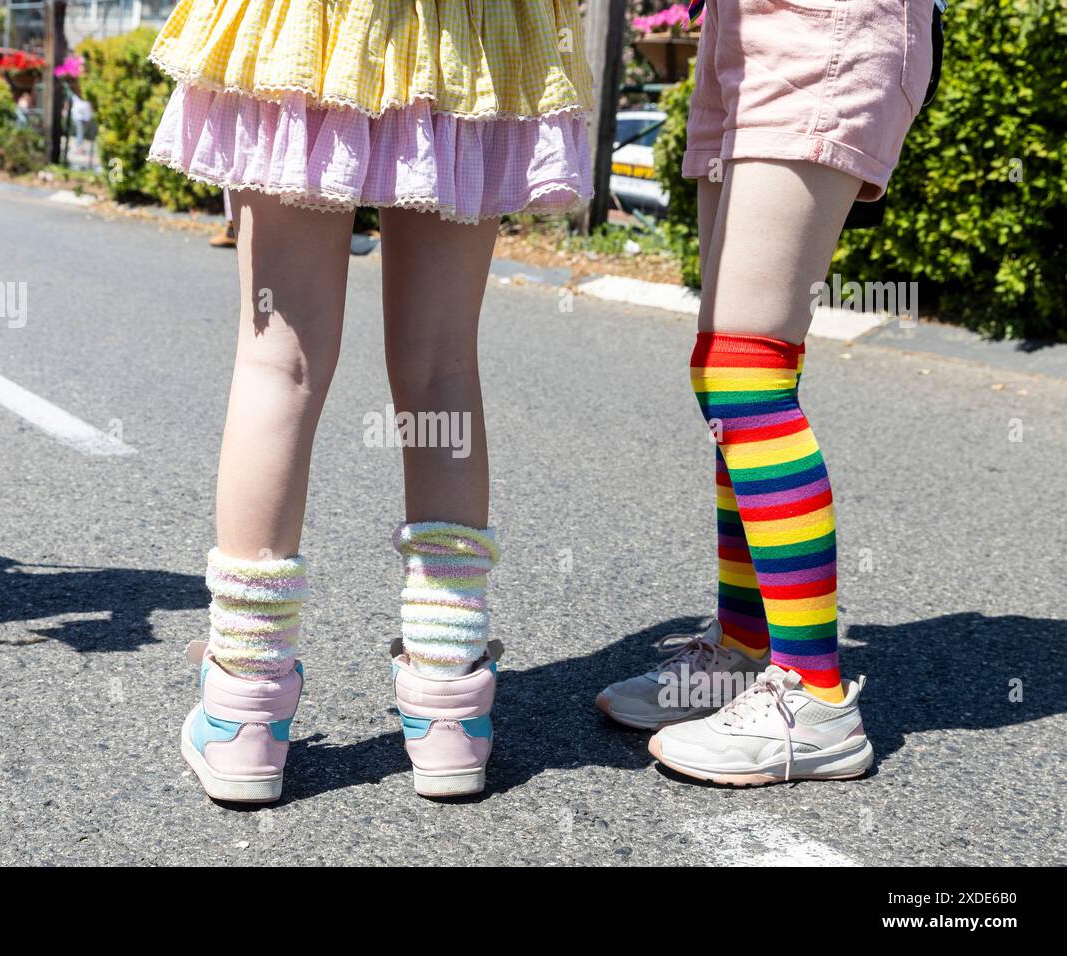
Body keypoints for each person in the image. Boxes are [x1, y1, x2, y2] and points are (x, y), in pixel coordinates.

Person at [146, 1, 593, 801]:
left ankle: (246, 707)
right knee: (441, 371)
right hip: (472, 34)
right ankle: (448, 703)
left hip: (315, 26)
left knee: (277, 364)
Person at [596, 0, 939, 784]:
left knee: (747, 371)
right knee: (727, 368)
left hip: (826, 23)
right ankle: (745, 652)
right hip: (743, 30)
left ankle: (815, 699)